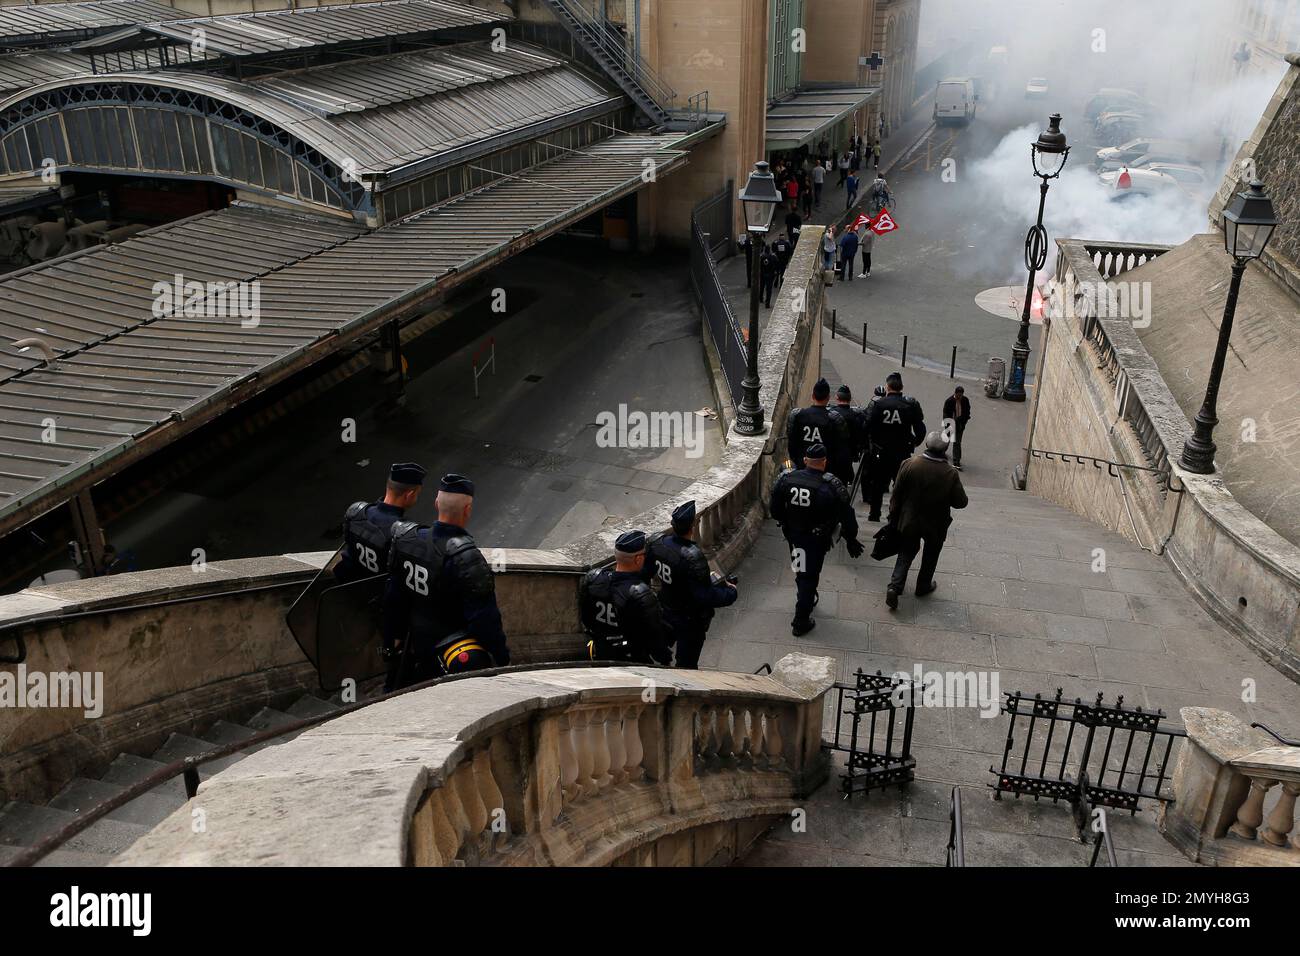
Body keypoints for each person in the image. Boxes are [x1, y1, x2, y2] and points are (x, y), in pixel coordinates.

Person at [382, 473, 508, 689]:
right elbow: (484, 619)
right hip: (452, 652)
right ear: (467, 510)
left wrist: (394, 636)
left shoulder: (408, 539)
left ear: (436, 503)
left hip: (416, 643)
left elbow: (394, 595)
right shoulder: (465, 556)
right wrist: (502, 659)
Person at [770, 443, 864, 636]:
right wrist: (851, 537)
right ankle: (800, 619)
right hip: (815, 540)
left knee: (800, 569)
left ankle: (805, 594)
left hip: (794, 537)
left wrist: (787, 522)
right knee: (809, 576)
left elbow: (775, 510)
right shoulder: (830, 486)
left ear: (805, 460)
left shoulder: (787, 479)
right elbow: (847, 515)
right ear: (824, 462)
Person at [647, 501, 739, 669]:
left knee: (661, 648)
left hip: (666, 607)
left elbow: (647, 571)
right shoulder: (693, 557)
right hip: (689, 618)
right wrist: (730, 593)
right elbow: (704, 595)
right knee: (686, 664)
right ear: (693, 525)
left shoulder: (658, 544)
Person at [884, 432, 968, 610]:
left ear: (927, 445)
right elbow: (961, 502)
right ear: (945, 450)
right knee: (931, 553)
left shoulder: (909, 463)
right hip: (936, 522)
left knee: (906, 552)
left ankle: (895, 586)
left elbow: (896, 493)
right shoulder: (950, 473)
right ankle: (923, 585)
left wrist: (893, 515)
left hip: (909, 518)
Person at [579, 530, 673, 664]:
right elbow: (654, 637)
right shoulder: (641, 594)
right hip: (632, 659)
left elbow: (586, 618)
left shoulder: (593, 579)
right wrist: (665, 660)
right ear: (638, 559)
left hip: (600, 653)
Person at [335, 462, 426, 584]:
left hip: (345, 587)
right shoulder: (403, 534)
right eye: (417, 494)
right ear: (410, 495)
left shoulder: (357, 513)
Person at [864, 372, 926, 522]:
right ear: (902, 387)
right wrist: (914, 442)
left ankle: (874, 514)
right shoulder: (911, 405)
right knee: (901, 485)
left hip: (882, 451)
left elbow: (867, 426)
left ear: (887, 387)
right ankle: (896, 515)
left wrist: (872, 445)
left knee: (878, 484)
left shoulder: (879, 404)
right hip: (902, 451)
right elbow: (920, 429)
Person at [787, 377, 850, 471]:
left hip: (802, 467)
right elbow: (841, 450)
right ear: (828, 398)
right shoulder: (834, 420)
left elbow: (792, 444)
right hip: (825, 470)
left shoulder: (798, 416)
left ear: (812, 396)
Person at [833, 385, 868, 488]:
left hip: (832, 453)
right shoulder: (857, 416)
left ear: (837, 398)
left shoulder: (830, 413)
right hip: (849, 453)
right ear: (850, 399)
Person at [942, 385, 971, 469]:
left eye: (961, 395)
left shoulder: (965, 400)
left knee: (957, 443)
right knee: (947, 439)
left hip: (960, 425)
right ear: (955, 393)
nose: (959, 397)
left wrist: (963, 421)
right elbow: (945, 414)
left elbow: (967, 412)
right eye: (958, 395)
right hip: (950, 424)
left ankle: (956, 461)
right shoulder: (949, 401)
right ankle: (941, 452)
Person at [759, 241, 778, 308]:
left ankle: (760, 298)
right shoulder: (773, 257)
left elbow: (758, 265)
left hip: (762, 274)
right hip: (770, 274)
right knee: (769, 289)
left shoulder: (761, 256)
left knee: (761, 286)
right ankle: (767, 303)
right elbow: (776, 264)